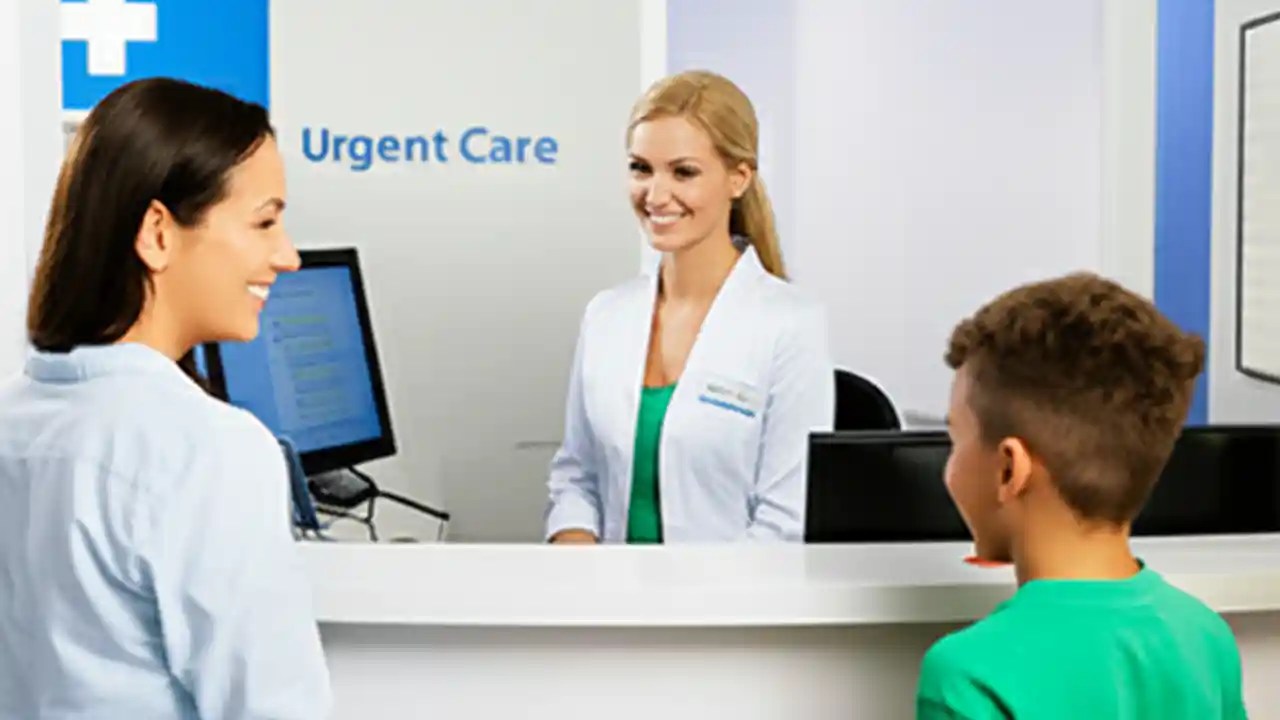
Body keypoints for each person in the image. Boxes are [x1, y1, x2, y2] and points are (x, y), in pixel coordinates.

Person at [0, 78, 332, 719]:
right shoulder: (210, 453)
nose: (286, 255)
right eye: (264, 221)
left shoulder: (13, 423)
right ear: (157, 233)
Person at [916, 272, 1248, 718]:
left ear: (1009, 469)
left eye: (955, 439)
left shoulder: (968, 673)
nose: (950, 465)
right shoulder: (1206, 638)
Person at [544, 70, 835, 544]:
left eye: (683, 172)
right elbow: (576, 476)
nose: (655, 195)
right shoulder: (606, 315)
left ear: (738, 177)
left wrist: (689, 611)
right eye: (641, 168)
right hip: (607, 606)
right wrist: (579, 560)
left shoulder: (790, 324)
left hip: (729, 609)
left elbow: (784, 522)